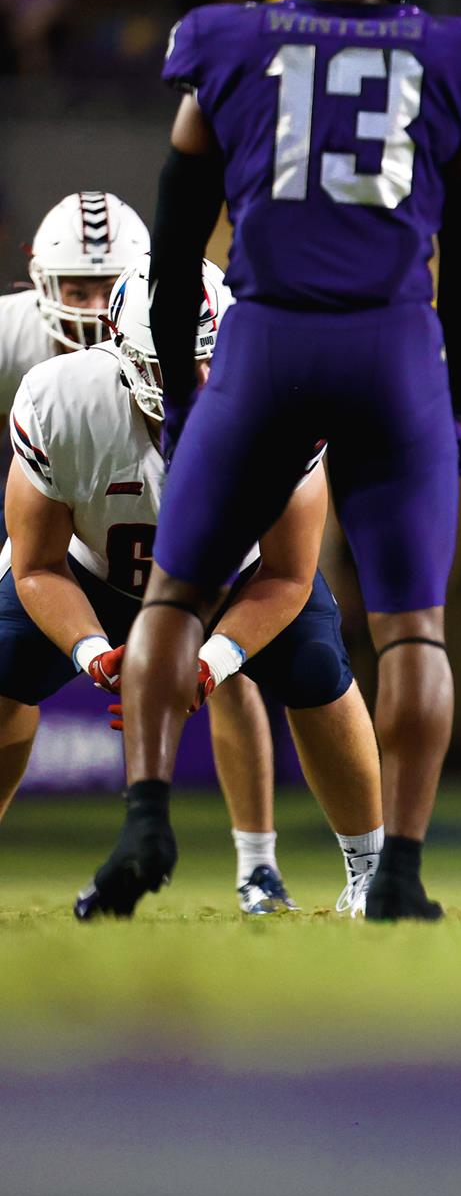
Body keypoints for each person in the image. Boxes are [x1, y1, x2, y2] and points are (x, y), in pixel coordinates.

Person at [81, 0, 461, 921]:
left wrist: (181, 385)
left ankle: (145, 821)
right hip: (392, 348)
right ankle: (397, 869)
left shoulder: (228, 41)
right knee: (412, 629)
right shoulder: (457, 55)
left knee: (174, 593)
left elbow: (173, 246)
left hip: (268, 341)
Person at [7, 260, 385, 919]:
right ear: (116, 351)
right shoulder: (60, 401)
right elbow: (38, 565)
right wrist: (93, 652)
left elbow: (289, 572)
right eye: (172, 366)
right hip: (93, 573)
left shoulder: (287, 398)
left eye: (211, 359)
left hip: (233, 578)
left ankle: (371, 875)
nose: (197, 381)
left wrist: (210, 666)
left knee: (319, 667)